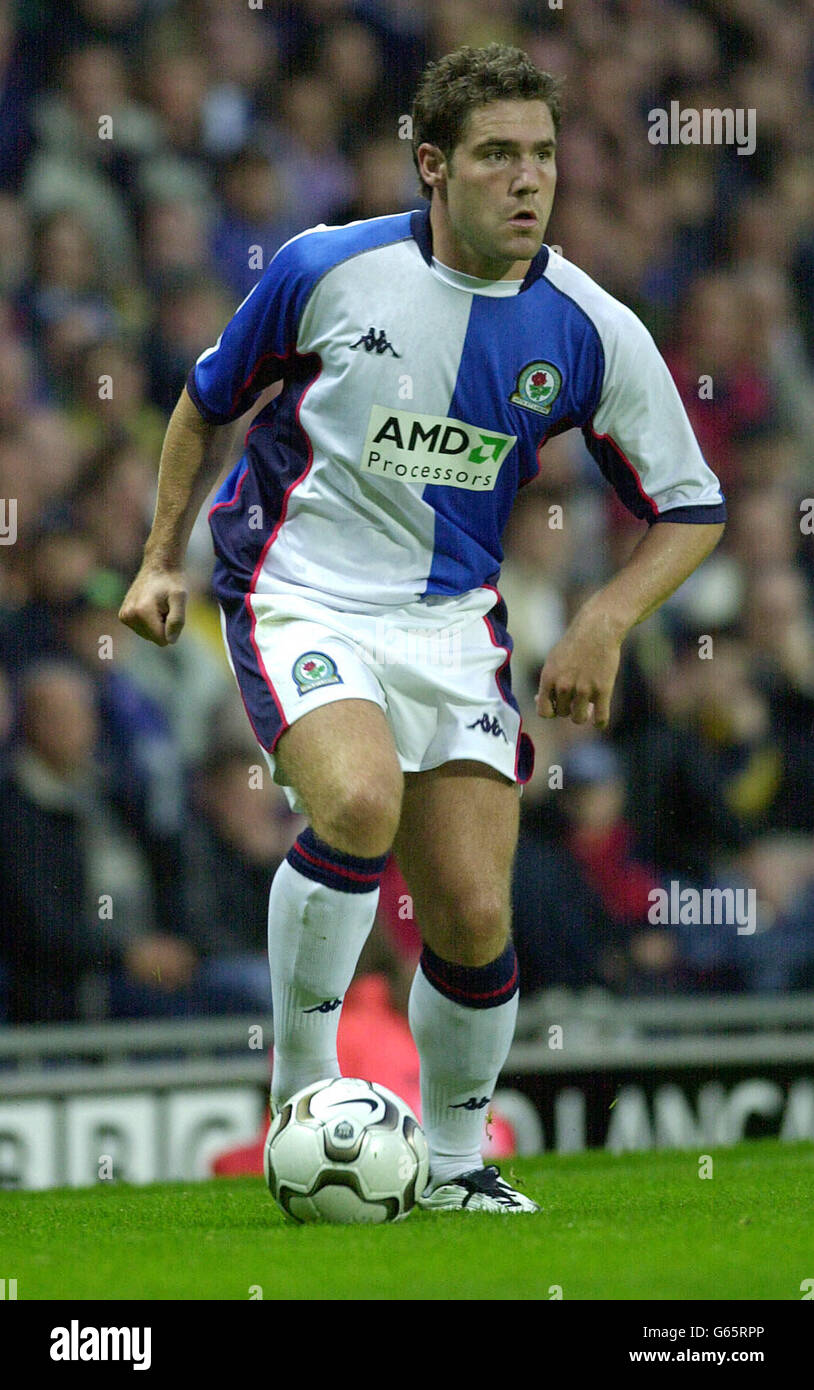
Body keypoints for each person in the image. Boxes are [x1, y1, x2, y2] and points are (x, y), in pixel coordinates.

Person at [119, 44, 725, 1214]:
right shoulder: (327, 269)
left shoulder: (589, 326)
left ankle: (453, 1165)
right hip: (298, 588)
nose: (526, 179)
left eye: (542, 155)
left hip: (450, 622)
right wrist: (155, 562)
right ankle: (305, 1096)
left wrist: (603, 616)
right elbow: (205, 402)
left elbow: (689, 504)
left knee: (472, 909)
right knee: (354, 803)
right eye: (497, 154)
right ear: (432, 165)